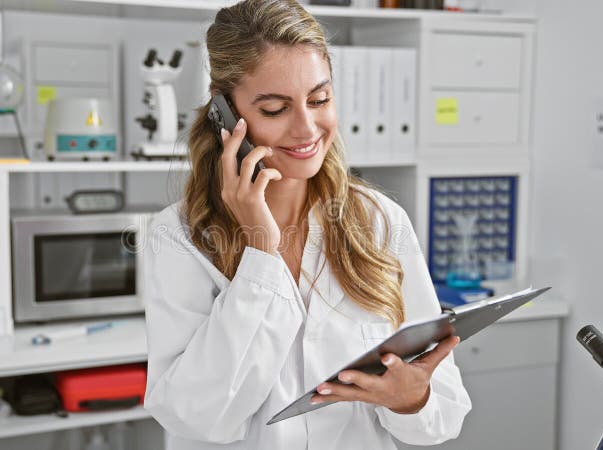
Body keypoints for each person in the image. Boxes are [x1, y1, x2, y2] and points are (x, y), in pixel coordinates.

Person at [143, 0, 471, 448]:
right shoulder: (178, 236)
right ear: (224, 111)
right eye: (275, 109)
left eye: (319, 100)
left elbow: (444, 415)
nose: (306, 128)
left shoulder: (379, 220)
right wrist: (260, 252)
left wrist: (412, 400)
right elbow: (196, 418)